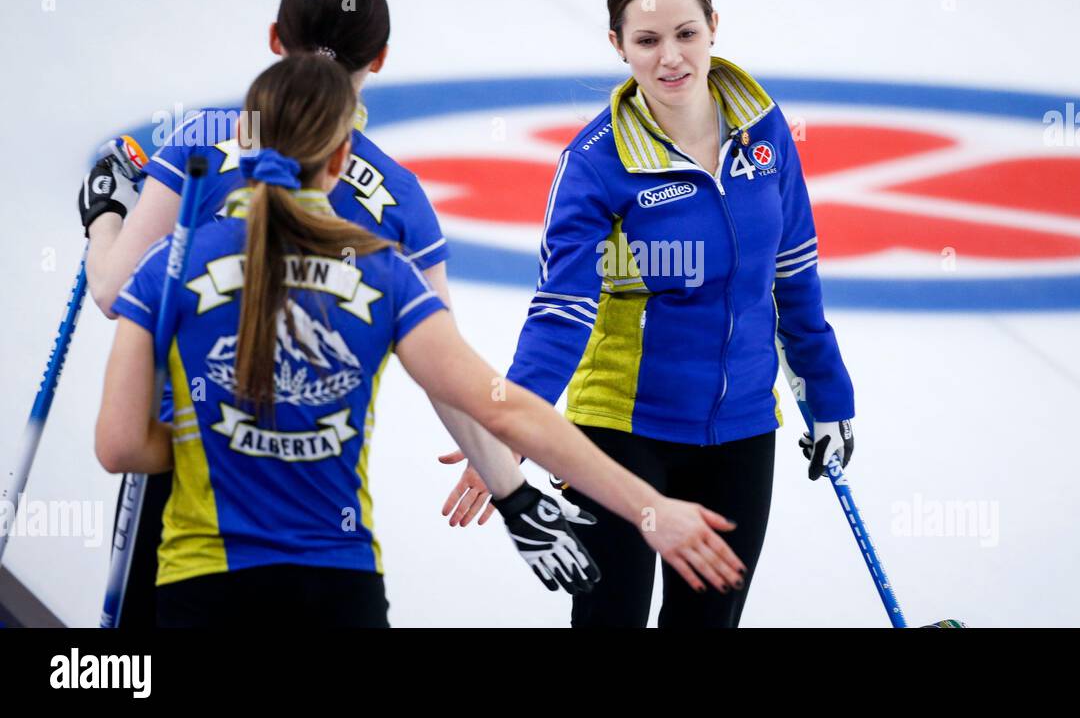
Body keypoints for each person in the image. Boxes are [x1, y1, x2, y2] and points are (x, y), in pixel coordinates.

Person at [94, 55, 745, 627]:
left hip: (203, 585)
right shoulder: (383, 274)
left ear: (244, 139)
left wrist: (105, 222)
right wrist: (648, 507)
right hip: (339, 587)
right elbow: (503, 406)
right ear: (343, 159)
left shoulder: (167, 268)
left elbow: (119, 444)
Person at [77, 0, 517, 626]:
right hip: (317, 484)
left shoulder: (204, 141)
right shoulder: (398, 196)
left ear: (275, 38)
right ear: (380, 58)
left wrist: (105, 211)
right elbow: (445, 365)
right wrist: (498, 459)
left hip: (192, 464)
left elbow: (114, 289)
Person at [483, 0, 856, 628]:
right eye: (647, 40)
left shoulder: (765, 133)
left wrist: (827, 392)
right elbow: (560, 313)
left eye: (686, 33)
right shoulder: (596, 165)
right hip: (621, 431)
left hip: (742, 427)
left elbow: (794, 272)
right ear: (618, 46)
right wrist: (515, 421)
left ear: (714, 26)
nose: (671, 57)